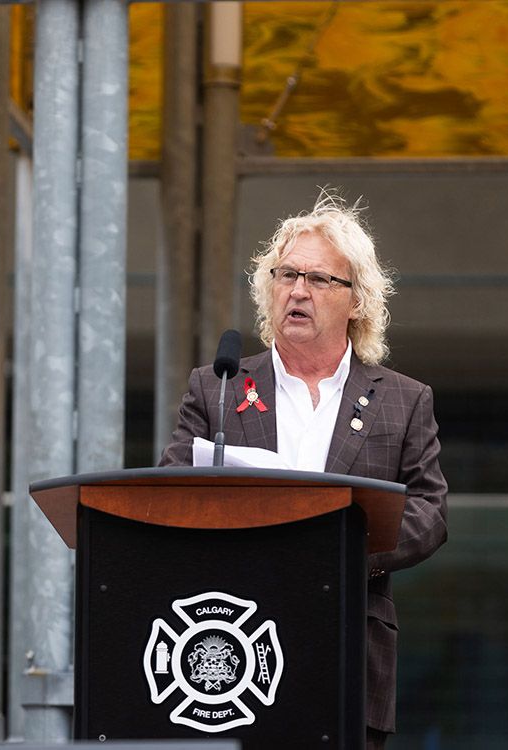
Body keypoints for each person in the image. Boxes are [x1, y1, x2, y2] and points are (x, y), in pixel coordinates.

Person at [159, 190, 448, 749]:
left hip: (347, 648)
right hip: (228, 650)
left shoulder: (403, 400)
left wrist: (334, 550)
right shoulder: (218, 387)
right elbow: (172, 495)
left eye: (317, 279)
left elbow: (429, 514)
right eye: (285, 274)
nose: (296, 290)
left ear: (357, 300)